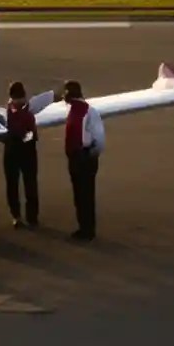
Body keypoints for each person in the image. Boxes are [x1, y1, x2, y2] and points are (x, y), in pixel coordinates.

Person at [63, 79, 104, 241]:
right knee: (80, 195)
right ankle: (84, 227)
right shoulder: (76, 110)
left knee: (85, 194)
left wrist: (92, 155)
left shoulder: (88, 111)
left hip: (84, 157)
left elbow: (99, 138)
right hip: (78, 157)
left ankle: (87, 230)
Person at [3, 81, 39, 229]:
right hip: (24, 150)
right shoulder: (26, 113)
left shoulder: (10, 113)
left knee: (18, 184)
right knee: (25, 184)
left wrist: (23, 137)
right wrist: (26, 137)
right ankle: (27, 216)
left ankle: (21, 216)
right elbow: (32, 134)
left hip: (14, 150)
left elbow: (31, 134)